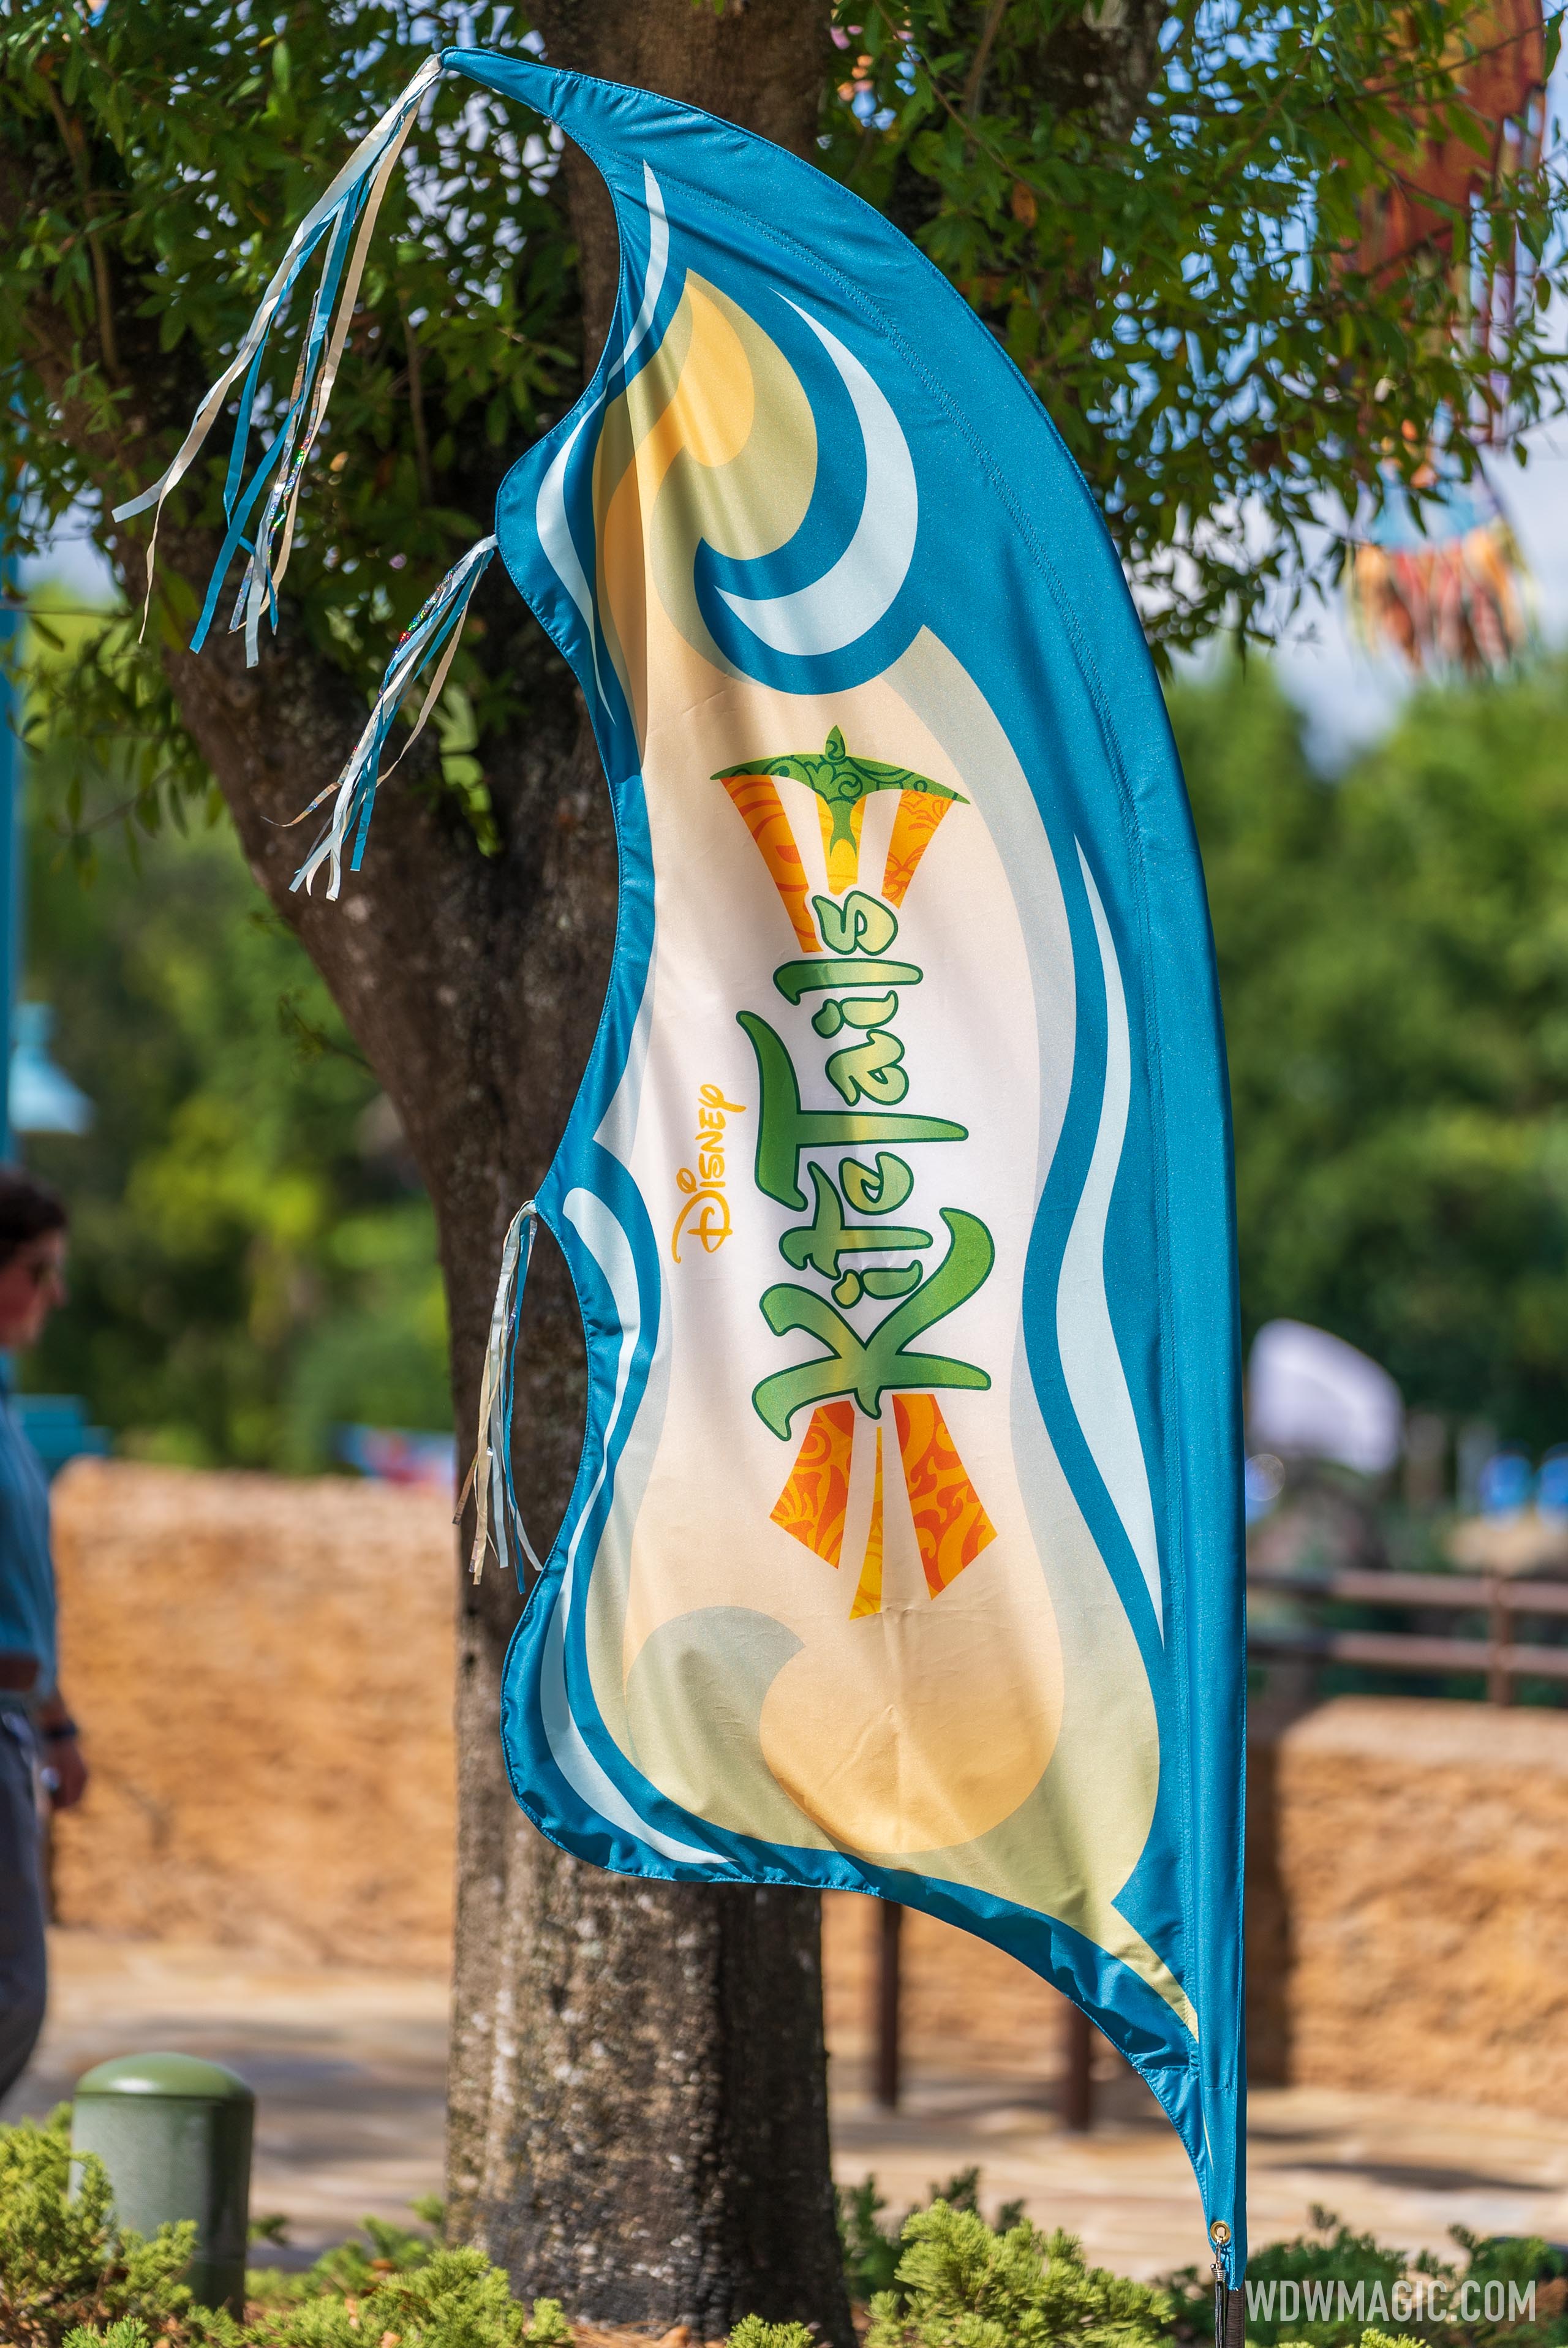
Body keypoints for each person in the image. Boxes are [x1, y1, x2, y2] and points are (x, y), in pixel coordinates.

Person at [0, 1169, 86, 2102]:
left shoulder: (9, 1411)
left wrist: (57, 1724)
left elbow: (25, 1593)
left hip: (17, 1727)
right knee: (13, 1992)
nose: (54, 1294)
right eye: (38, 1269)